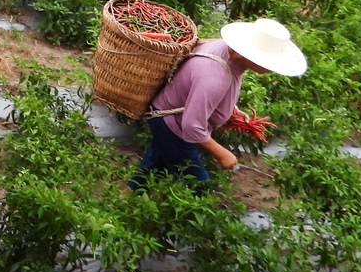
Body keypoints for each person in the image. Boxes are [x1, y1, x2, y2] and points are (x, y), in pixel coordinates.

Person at [129, 17, 306, 191]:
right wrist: (223, 154)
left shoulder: (228, 52)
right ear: (250, 56)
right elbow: (191, 126)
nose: (272, 69)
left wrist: (230, 109)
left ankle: (127, 196)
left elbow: (211, 91)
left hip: (166, 113)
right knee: (200, 186)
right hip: (172, 125)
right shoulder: (214, 76)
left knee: (151, 167)